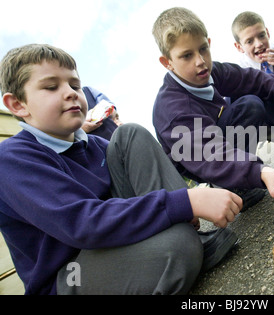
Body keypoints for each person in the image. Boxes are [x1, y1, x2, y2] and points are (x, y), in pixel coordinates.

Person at [0, 44, 243, 295]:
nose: (70, 93)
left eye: (75, 85)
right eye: (51, 87)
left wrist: (181, 208)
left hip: (112, 243)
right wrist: (185, 201)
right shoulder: (12, 159)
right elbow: (83, 224)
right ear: (18, 105)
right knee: (176, 247)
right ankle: (185, 248)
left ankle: (190, 241)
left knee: (131, 133)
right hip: (70, 274)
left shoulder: (93, 144)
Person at [152, 7, 274, 210]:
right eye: (187, 56)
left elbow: (253, 78)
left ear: (209, 43)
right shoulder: (174, 110)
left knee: (248, 96)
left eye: (203, 49)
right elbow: (209, 155)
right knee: (248, 106)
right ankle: (229, 186)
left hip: (220, 142)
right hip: (203, 161)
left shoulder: (211, 71)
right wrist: (259, 171)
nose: (200, 61)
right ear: (167, 63)